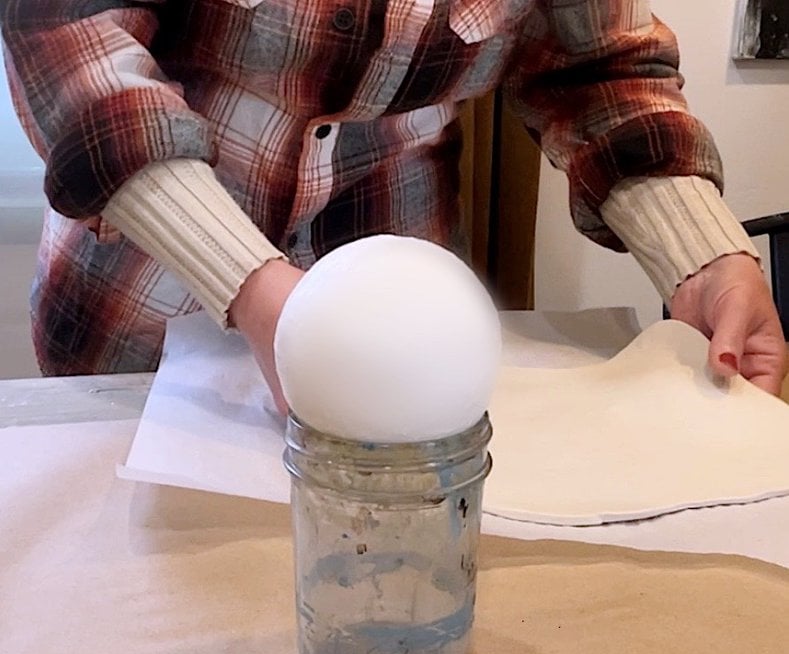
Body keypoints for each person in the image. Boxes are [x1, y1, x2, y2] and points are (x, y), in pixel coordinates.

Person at [2, 0, 786, 413]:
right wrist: (260, 293)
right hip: (143, 321)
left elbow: (598, 70)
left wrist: (703, 255)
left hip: (402, 337)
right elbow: (72, 39)